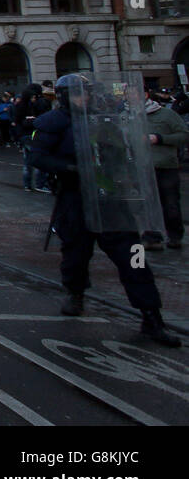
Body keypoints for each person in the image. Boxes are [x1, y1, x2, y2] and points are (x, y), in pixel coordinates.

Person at [28, 73, 179, 346]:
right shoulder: (53, 123)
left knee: (133, 257)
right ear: (63, 97)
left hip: (110, 198)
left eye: (85, 93)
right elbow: (38, 156)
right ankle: (76, 294)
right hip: (75, 198)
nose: (83, 98)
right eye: (76, 94)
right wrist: (72, 168)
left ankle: (151, 316)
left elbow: (124, 152)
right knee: (75, 254)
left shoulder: (104, 119)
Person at [142, 90, 188, 250]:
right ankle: (152, 237)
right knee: (147, 205)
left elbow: (184, 135)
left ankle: (175, 236)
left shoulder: (166, 115)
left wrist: (160, 138)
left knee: (170, 204)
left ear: (145, 95)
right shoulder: (128, 116)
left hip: (166, 166)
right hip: (142, 167)